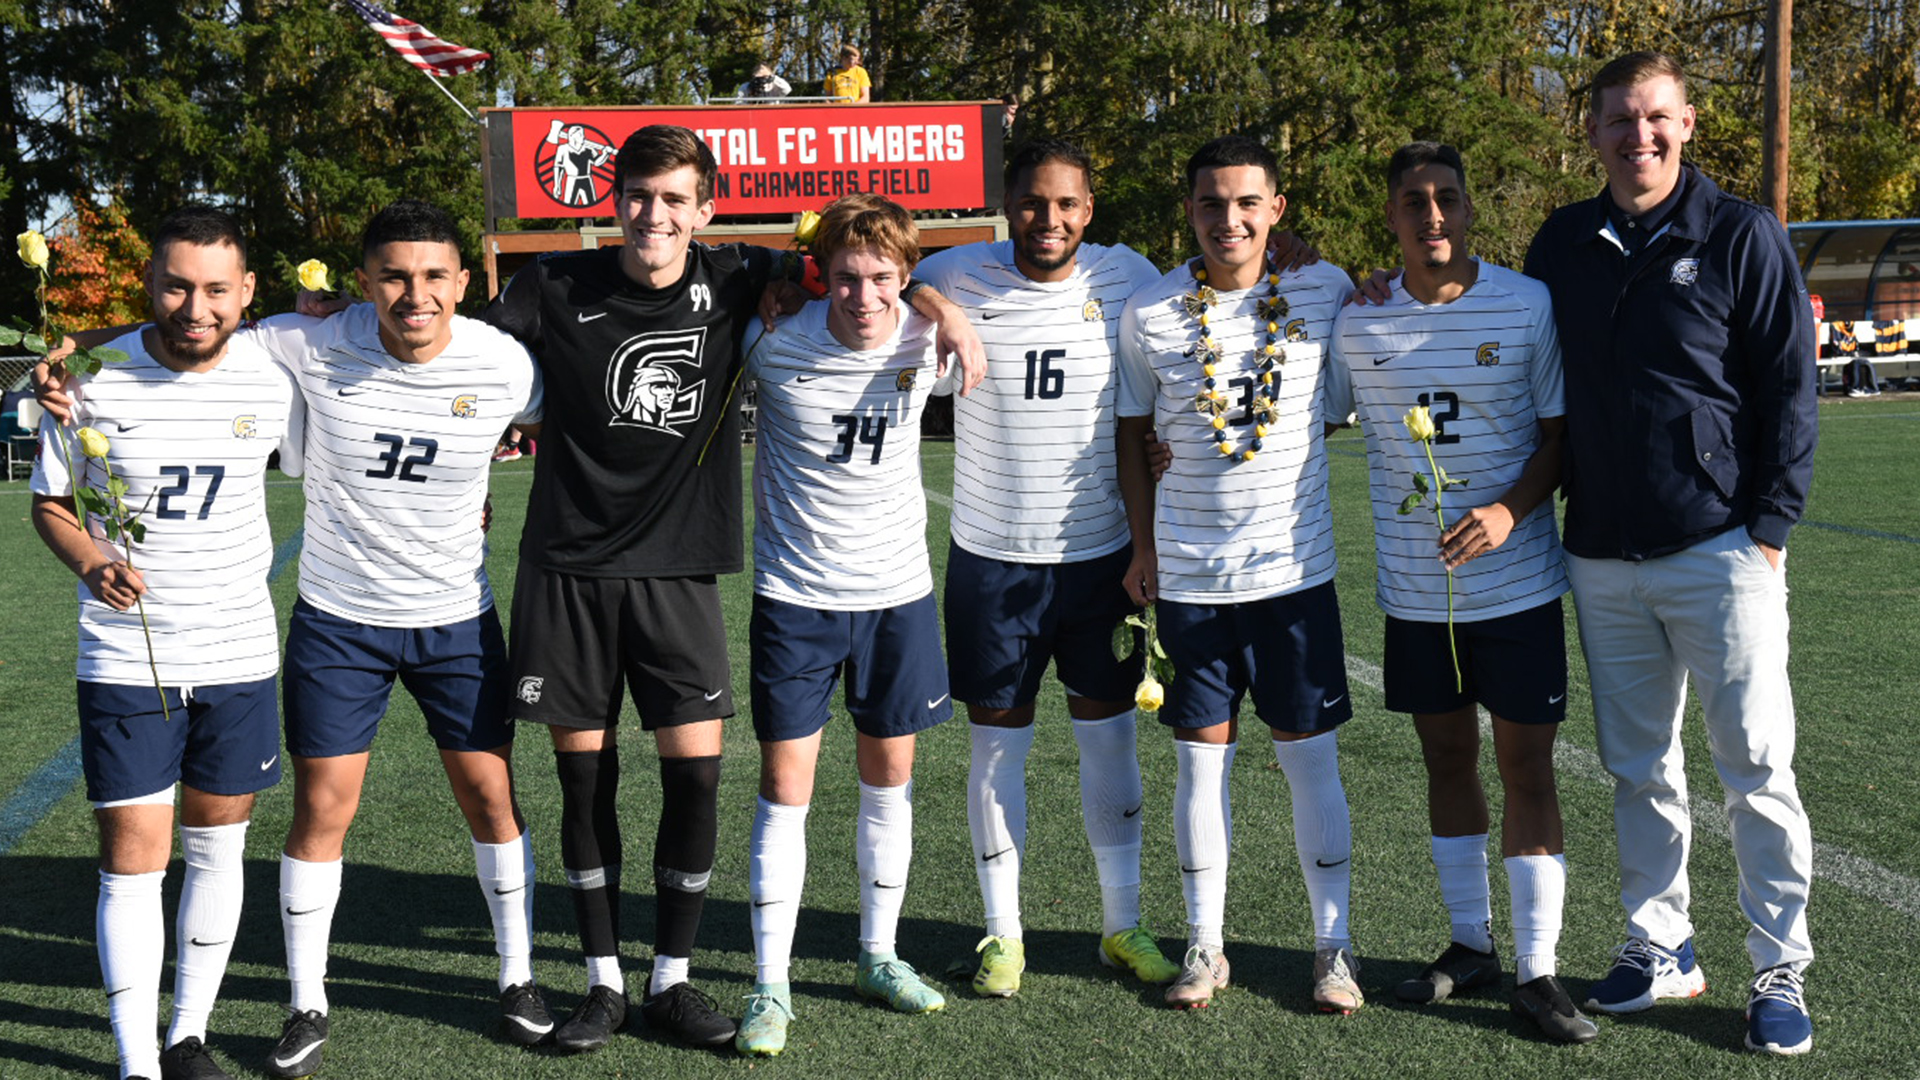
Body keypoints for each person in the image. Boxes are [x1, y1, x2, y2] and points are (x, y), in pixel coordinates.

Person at [480, 124, 982, 1053]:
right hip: (570, 571)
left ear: (706, 210)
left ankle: (672, 980)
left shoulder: (746, 281)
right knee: (583, 781)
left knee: (698, 783)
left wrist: (938, 303)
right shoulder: (548, 286)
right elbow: (453, 359)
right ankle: (603, 983)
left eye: (675, 199)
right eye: (638, 195)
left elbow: (860, 258)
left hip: (681, 571)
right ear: (612, 200)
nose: (654, 215)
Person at [1522, 51, 1817, 1056]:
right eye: (1617, 119)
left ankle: (1778, 963)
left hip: (1721, 546)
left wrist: (1769, 529)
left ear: (1687, 123)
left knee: (1756, 766)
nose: (1636, 136)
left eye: (1654, 118)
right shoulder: (1560, 241)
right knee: (1638, 766)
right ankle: (1663, 945)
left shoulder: (1741, 232)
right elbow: (1520, 355)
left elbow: (1788, 388)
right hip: (1601, 551)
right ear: (1593, 130)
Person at [257, 200, 547, 1076]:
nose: (413, 295)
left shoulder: (504, 365)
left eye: (432, 277)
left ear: (463, 283)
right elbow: (195, 326)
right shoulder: (306, 339)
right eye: (393, 276)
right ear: (362, 283)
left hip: (455, 617)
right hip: (339, 621)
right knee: (322, 811)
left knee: (491, 801)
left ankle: (518, 977)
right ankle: (307, 1001)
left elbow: (581, 409)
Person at [1326, 142, 1595, 1044]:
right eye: (1414, 201)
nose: (1432, 215)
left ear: (1470, 207)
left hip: (1517, 586)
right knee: (1446, 762)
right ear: (1392, 216)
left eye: (1446, 197)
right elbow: (1303, 409)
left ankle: (1539, 969)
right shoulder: (1356, 319)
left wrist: (1511, 512)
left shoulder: (1526, 303)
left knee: (1527, 767)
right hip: (1415, 594)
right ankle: (1470, 943)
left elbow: (1559, 435)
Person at [31, 205, 304, 1080]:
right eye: (177, 285)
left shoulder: (271, 371)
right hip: (126, 658)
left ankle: (186, 1034)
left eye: (217, 289)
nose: (196, 307)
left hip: (238, 656)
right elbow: (51, 504)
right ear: (148, 283)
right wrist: (88, 561)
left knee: (218, 851)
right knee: (134, 863)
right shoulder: (90, 382)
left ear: (248, 292)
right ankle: (135, 1060)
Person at [913, 140, 1180, 998]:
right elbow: (890, 269)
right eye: (1032, 203)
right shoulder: (959, 271)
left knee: (1110, 742)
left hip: (1099, 559)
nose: (1049, 220)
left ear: (1089, 209)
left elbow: (1205, 292)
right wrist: (942, 311)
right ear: (1006, 204)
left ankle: (1122, 923)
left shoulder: (1127, 273)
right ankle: (1003, 935)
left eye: (1065, 204)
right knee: (996, 751)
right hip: (991, 561)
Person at [1115, 135, 1361, 1012]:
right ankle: (1205, 947)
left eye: (1248, 203)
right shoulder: (1148, 310)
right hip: (1189, 582)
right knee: (1198, 771)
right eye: (1213, 203)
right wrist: (1143, 550)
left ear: (1276, 211)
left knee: (1312, 767)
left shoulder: (1325, 292)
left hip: (1296, 581)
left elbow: (1334, 404)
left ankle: (1334, 952)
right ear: (1189, 211)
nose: (1231, 219)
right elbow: (1130, 434)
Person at [733, 194, 954, 1057]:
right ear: (821, 273)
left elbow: (941, 297)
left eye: (884, 280)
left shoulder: (925, 337)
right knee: (787, 790)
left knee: (888, 778)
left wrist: (949, 315)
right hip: (796, 599)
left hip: (898, 597)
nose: (865, 296)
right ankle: (769, 984)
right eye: (849, 277)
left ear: (906, 279)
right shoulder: (775, 344)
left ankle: (878, 954)